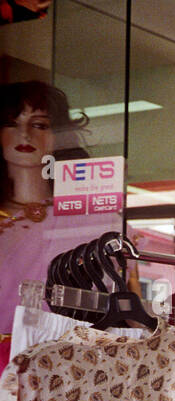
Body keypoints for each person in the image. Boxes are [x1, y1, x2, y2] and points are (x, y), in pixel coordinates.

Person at [0, 80, 94, 338]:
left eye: (39, 124)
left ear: (58, 136)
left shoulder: (89, 218)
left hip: (62, 363)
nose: (25, 134)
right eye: (11, 123)